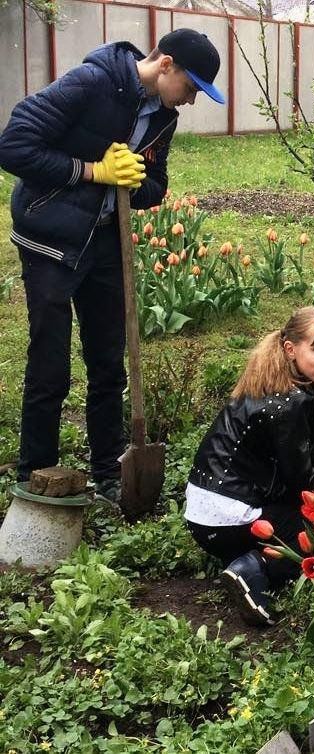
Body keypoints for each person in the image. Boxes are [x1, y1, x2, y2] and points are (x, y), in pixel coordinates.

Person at [0, 29, 225, 504]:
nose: (189, 101)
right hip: (50, 239)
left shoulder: (163, 118)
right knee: (50, 363)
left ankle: (107, 472)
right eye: (191, 87)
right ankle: (35, 475)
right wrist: (92, 171)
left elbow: (155, 186)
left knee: (108, 363)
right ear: (165, 65)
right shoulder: (90, 83)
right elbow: (14, 145)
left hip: (104, 240)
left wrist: (134, 179)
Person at [185, 307, 314, 626]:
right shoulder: (292, 403)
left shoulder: (260, 386)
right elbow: (299, 480)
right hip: (233, 520)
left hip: (202, 518)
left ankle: (243, 555)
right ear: (290, 349)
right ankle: (253, 567)